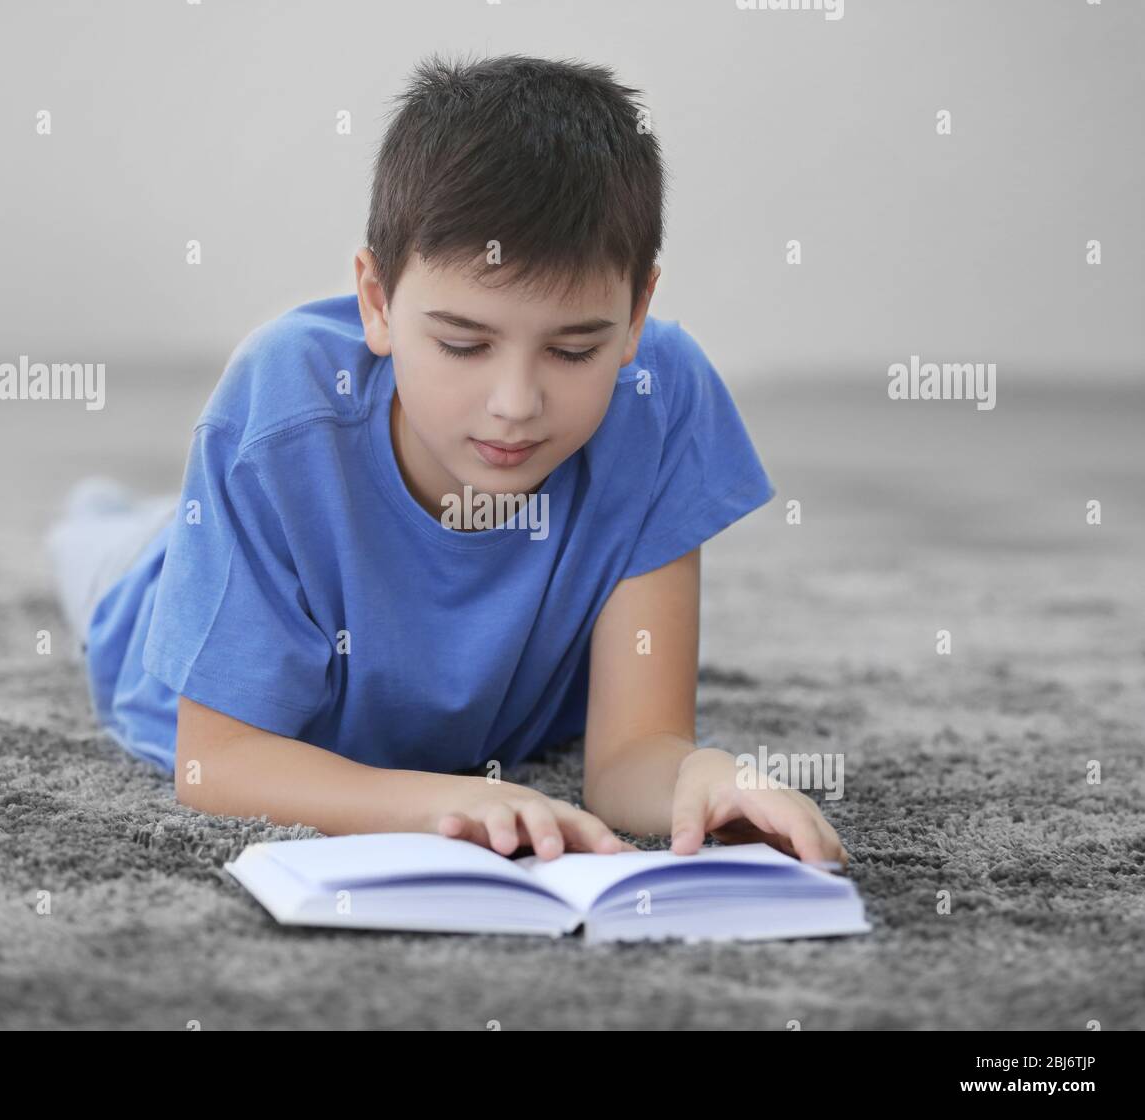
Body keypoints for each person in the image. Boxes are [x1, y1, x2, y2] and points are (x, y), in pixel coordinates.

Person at [46, 53, 849, 869]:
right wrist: (443, 801)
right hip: (148, 589)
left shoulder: (662, 394)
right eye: (463, 344)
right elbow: (214, 758)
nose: (515, 404)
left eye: (575, 351)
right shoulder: (281, 405)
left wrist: (701, 774)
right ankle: (100, 516)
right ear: (376, 301)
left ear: (638, 311)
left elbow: (632, 753)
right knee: (111, 543)